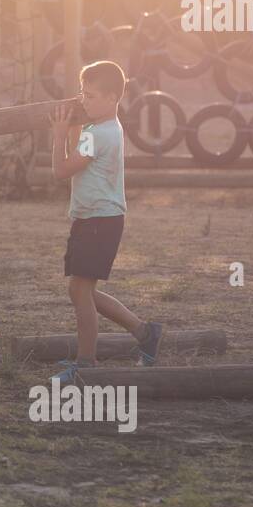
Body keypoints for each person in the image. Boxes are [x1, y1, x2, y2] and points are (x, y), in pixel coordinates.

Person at [48, 61, 163, 384]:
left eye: (93, 96)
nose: (85, 101)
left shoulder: (100, 134)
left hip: (101, 221)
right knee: (82, 291)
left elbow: (61, 170)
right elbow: (79, 158)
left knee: (79, 289)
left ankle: (86, 363)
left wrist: (59, 135)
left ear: (113, 97)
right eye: (83, 94)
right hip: (91, 218)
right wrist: (72, 127)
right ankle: (144, 332)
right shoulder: (100, 129)